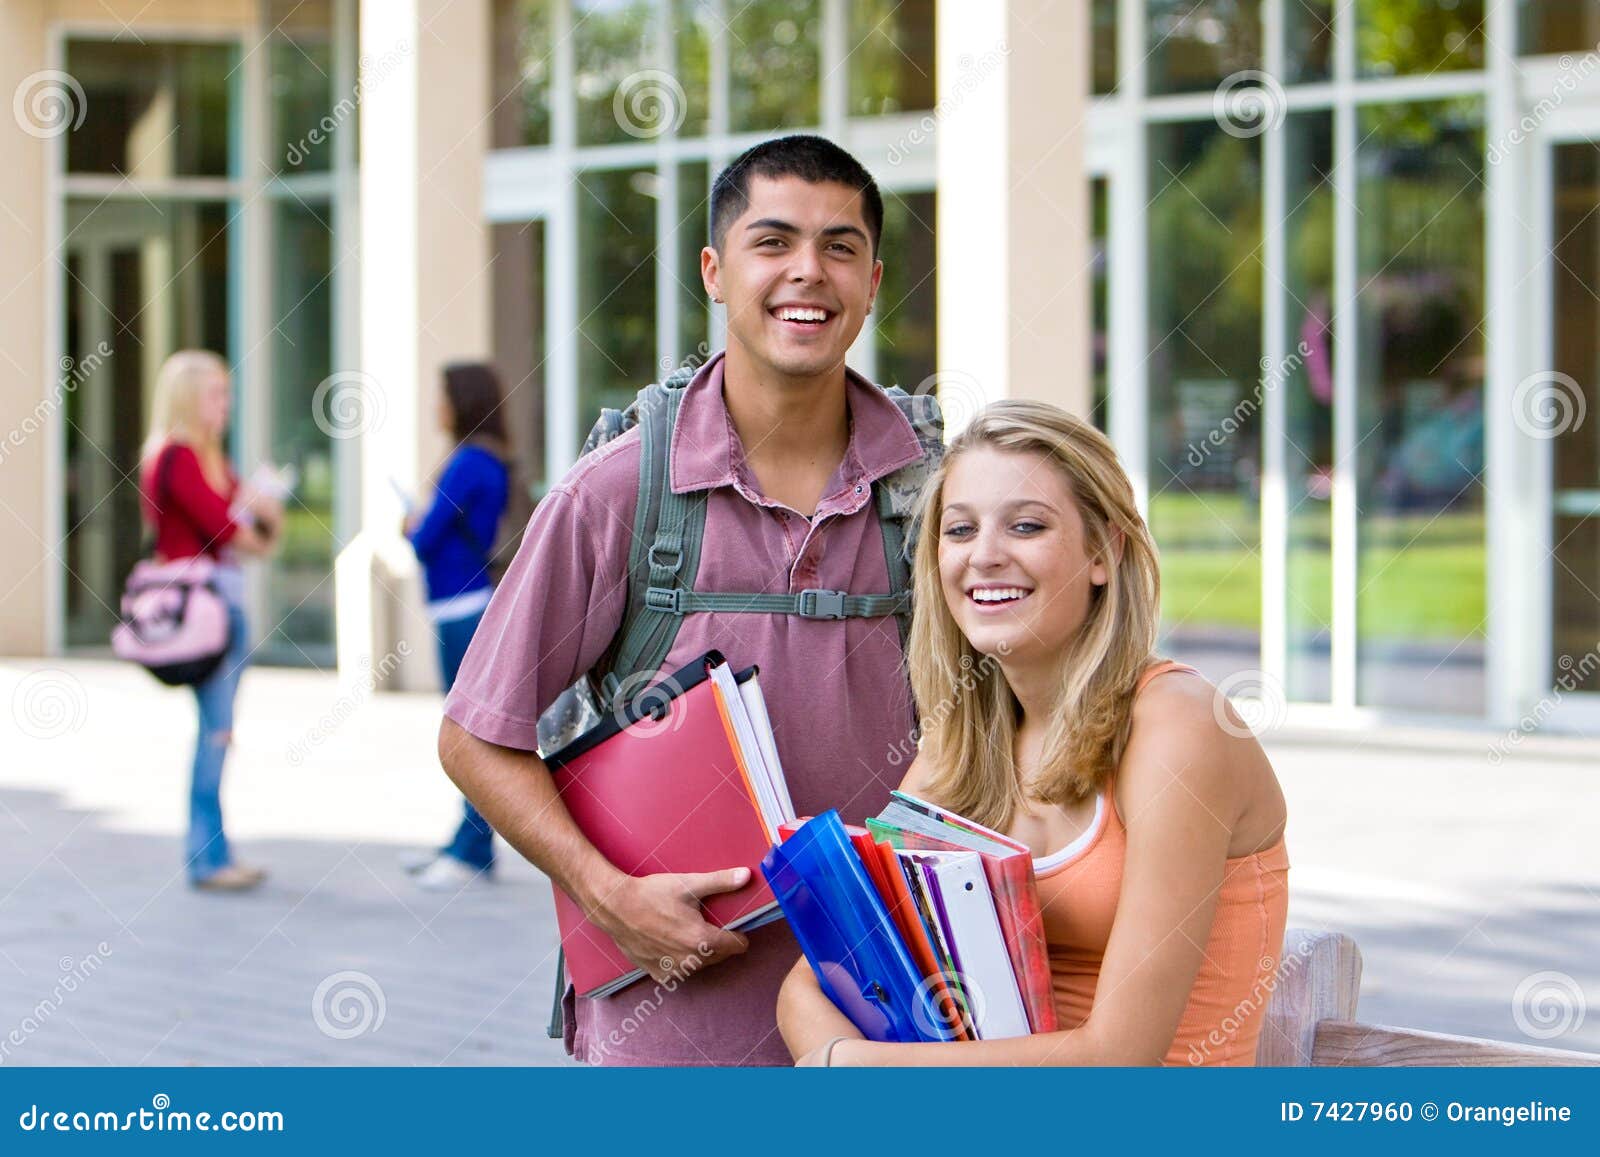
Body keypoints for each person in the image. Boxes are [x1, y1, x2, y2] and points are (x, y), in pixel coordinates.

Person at [436, 134, 942, 1066]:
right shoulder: (617, 493)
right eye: (773, 241)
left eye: (840, 247)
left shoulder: (938, 498)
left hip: (895, 1029)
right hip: (674, 1033)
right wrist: (606, 896)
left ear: (874, 281)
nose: (808, 273)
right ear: (715, 270)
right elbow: (474, 735)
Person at [777, 401, 1290, 1066]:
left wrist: (852, 1070)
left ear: (1104, 553)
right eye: (959, 530)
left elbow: (1118, 1059)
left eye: (1026, 525)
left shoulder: (1177, 726)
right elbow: (808, 980)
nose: (985, 556)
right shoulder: (960, 745)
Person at [139, 350, 282, 892]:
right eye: (216, 394)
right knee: (215, 733)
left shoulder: (209, 459)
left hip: (221, 602)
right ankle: (208, 859)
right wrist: (256, 519)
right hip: (203, 610)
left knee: (217, 732)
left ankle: (215, 851)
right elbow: (228, 531)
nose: (226, 405)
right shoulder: (177, 458)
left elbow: (253, 536)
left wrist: (261, 519)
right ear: (189, 398)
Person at [402, 363, 512, 891]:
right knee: (469, 729)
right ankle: (464, 842)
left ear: (461, 402)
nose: (435, 406)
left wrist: (411, 525)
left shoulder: (467, 462)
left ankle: (471, 849)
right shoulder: (486, 460)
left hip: (461, 607)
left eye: (442, 396)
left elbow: (425, 541)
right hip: (468, 603)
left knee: (467, 735)